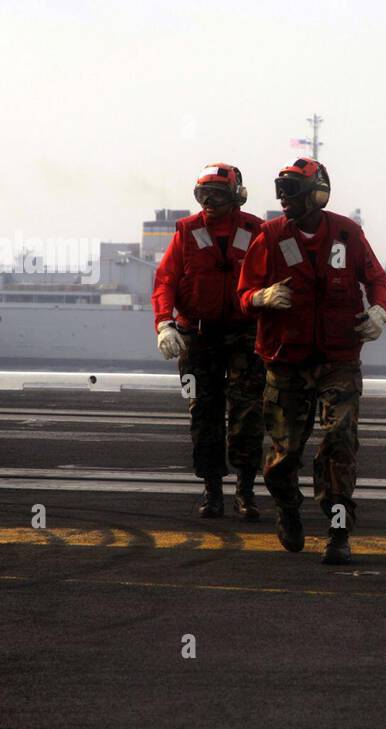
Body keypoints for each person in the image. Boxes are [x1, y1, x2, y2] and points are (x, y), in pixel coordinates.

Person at [237, 158, 386, 565]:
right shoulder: (270, 237)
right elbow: (244, 293)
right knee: (284, 454)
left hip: (338, 358)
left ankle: (338, 532)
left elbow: (375, 278)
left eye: (292, 192)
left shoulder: (347, 234)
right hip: (285, 360)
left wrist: (379, 309)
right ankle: (287, 505)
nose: (284, 200)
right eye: (281, 192)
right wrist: (261, 297)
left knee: (340, 443)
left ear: (317, 195)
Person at [152, 163, 266, 521]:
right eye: (203, 195)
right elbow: (165, 280)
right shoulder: (187, 232)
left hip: (246, 336)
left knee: (249, 414)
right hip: (197, 337)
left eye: (217, 194)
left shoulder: (257, 232)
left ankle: (245, 492)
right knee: (202, 413)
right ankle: (212, 490)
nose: (209, 202)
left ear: (237, 196)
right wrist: (164, 323)